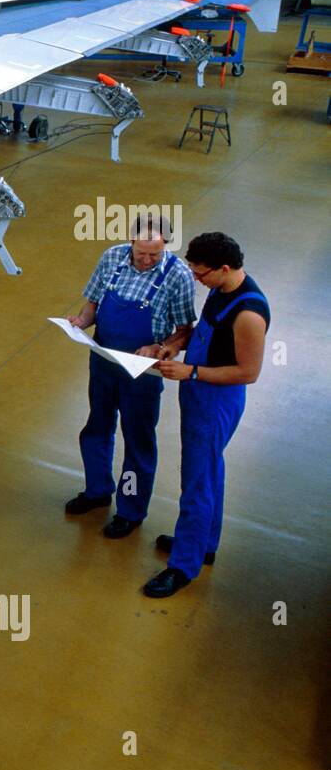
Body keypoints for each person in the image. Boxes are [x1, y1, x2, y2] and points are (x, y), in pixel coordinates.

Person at [145, 233, 269, 598]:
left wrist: (192, 372)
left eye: (201, 275)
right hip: (199, 391)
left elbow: (249, 372)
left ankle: (183, 566)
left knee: (196, 481)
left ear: (224, 268)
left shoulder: (249, 313)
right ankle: (203, 543)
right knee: (210, 469)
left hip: (216, 400)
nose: (196, 280)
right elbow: (204, 332)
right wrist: (172, 345)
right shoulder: (222, 289)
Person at [64, 217, 196, 538]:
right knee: (97, 426)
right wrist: (81, 320)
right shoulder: (112, 257)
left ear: (165, 245)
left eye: (155, 254)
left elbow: (184, 332)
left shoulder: (178, 276)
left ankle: (130, 510)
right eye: (141, 254)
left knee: (137, 441)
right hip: (104, 361)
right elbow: (93, 303)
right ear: (131, 242)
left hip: (142, 373)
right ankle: (97, 490)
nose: (148, 260)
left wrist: (161, 347)